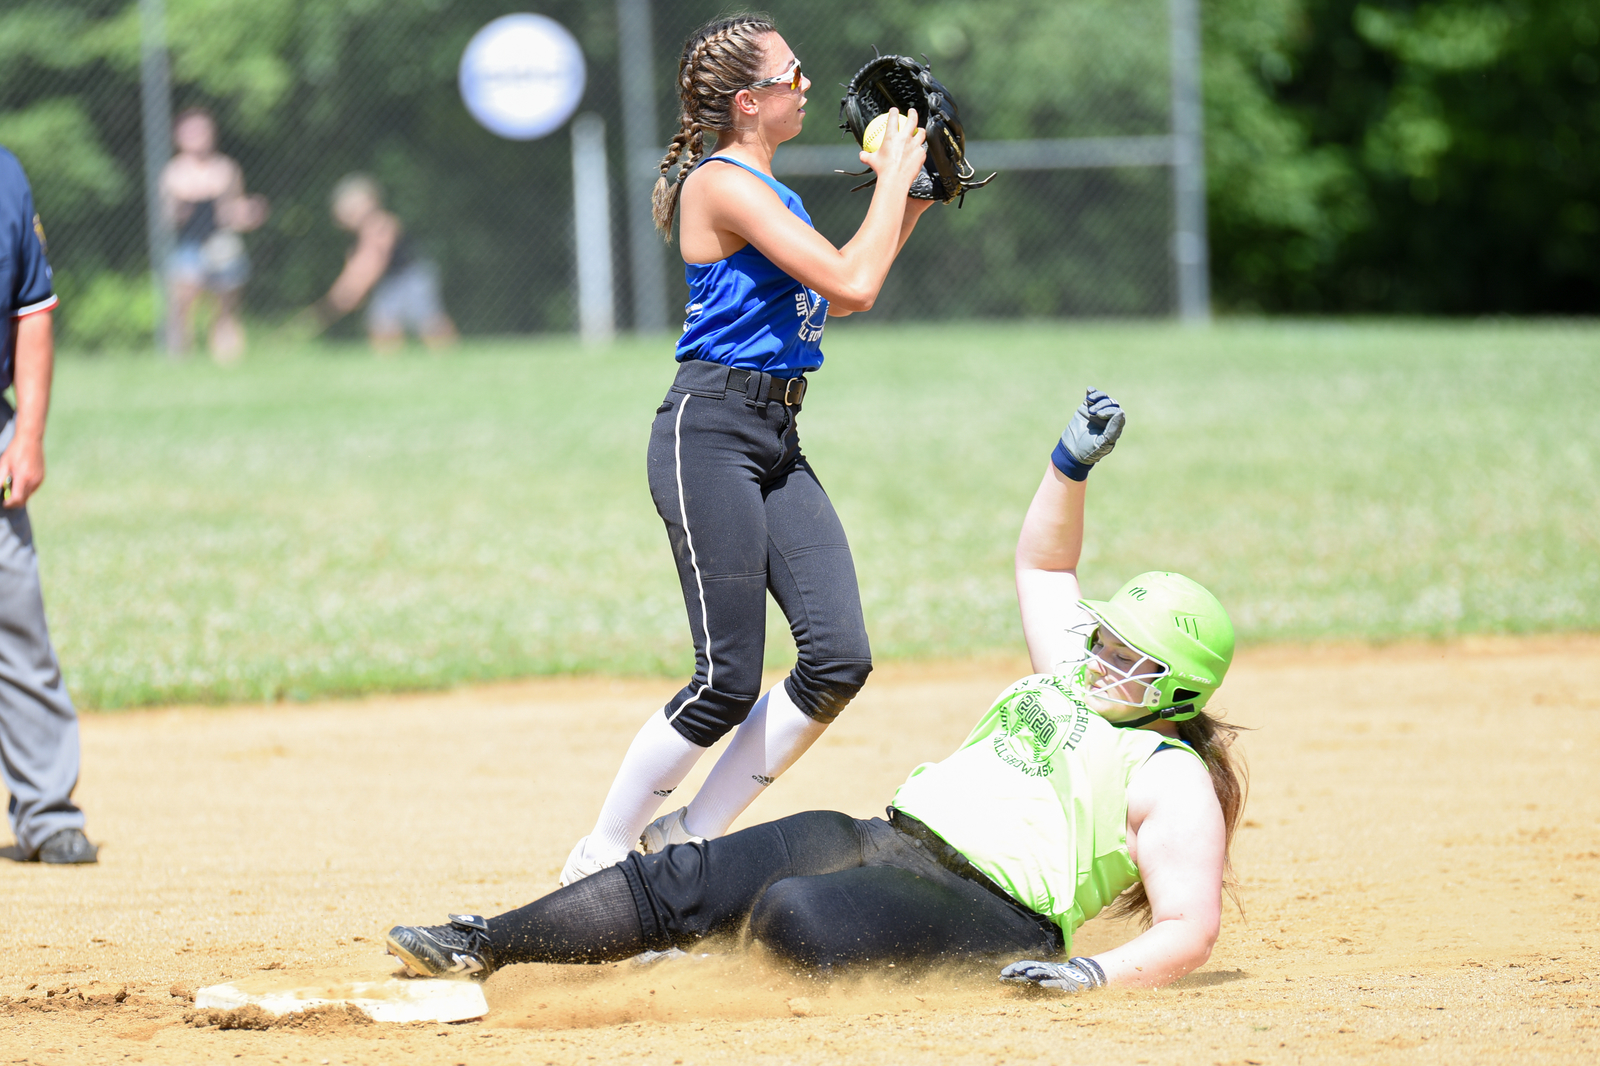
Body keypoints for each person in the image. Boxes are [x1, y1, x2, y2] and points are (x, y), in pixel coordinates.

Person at [386, 390, 1248, 993]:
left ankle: (713, 967)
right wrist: (1069, 464)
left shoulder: (1168, 774)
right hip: (887, 840)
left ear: (1173, 692)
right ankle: (482, 944)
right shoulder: (1074, 672)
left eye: (1128, 658)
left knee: (799, 915)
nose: (1099, 658)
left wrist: (1089, 972)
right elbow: (1046, 563)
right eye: (1104, 637)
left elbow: (1189, 927)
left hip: (994, 911)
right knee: (691, 873)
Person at [559, 13, 938, 886]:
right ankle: (602, 854)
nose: (808, 85)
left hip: (774, 438)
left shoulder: (776, 194)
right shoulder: (721, 182)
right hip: (710, 433)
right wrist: (894, 177)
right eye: (792, 75)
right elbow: (855, 281)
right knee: (726, 679)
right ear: (748, 101)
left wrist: (908, 200)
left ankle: (687, 836)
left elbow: (838, 295)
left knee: (838, 658)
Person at [0, 146, 97, 865]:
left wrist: (27, 435)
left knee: (15, 620)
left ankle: (45, 809)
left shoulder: (5, 174)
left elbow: (32, 310)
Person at [160, 108, 268, 362]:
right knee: (183, 304)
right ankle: (179, 358)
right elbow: (166, 219)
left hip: (221, 243)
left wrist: (250, 213)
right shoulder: (173, 172)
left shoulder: (226, 169)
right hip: (188, 244)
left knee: (226, 305)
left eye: (202, 130)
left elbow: (232, 212)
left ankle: (227, 358)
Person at [307, 174, 457, 353]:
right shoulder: (357, 237)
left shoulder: (381, 224)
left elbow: (372, 262)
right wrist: (340, 294)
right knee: (382, 325)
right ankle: (389, 370)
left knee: (429, 321)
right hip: (389, 281)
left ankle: (448, 354)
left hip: (412, 276)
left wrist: (352, 291)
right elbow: (354, 269)